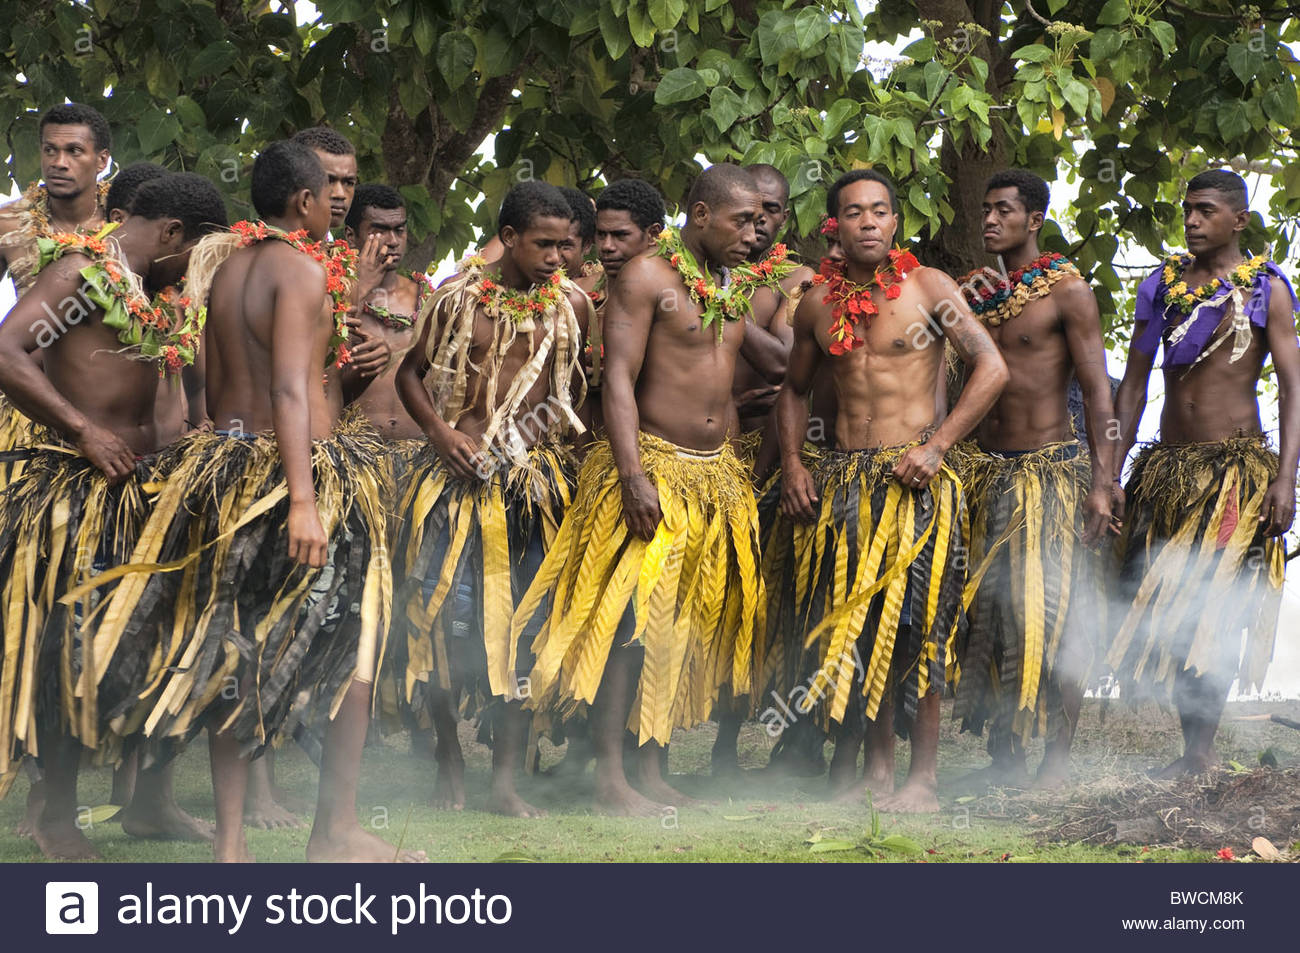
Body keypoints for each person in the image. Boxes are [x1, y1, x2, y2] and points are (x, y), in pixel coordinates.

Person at [79, 141, 422, 862]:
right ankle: (333, 833)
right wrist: (302, 498)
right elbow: (291, 390)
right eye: (328, 193)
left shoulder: (228, 266)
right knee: (355, 650)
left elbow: (283, 376)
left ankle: (230, 847)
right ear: (301, 202)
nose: (339, 203)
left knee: (234, 651)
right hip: (293, 478)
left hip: (229, 473)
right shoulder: (298, 270)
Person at [512, 164, 787, 815]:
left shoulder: (730, 285)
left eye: (760, 221)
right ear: (700, 215)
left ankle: (648, 769)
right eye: (743, 221)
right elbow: (617, 382)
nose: (756, 232)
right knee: (627, 622)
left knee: (670, 630)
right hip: (652, 471)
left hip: (712, 476)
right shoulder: (643, 278)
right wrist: (633, 475)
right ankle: (609, 778)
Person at [0, 172, 227, 858]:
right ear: (171, 234)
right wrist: (82, 430)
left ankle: (151, 803)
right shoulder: (81, 274)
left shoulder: (152, 292)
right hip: (72, 494)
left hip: (139, 495)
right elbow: (7, 352)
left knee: (174, 645)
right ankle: (55, 815)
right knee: (69, 653)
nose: (195, 271)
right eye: (196, 254)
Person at [773, 169, 1008, 812]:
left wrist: (937, 447)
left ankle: (922, 778)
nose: (869, 221)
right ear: (835, 226)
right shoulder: (817, 302)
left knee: (922, 627)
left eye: (880, 210)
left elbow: (992, 368)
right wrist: (793, 463)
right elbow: (793, 390)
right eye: (854, 212)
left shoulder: (930, 287)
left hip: (917, 483)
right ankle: (877, 770)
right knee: (864, 626)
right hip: (848, 481)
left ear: (896, 223)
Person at [394, 181, 590, 816]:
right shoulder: (455, 301)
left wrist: (537, 451)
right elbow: (408, 375)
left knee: (526, 628)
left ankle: (505, 778)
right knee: (444, 625)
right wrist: (442, 432)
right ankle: (448, 760)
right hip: (451, 488)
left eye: (566, 245)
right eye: (544, 244)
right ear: (508, 239)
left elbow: (569, 396)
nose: (559, 257)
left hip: (529, 491)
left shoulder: (573, 309)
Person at [1110, 168, 1299, 776]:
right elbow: (1134, 385)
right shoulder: (1161, 286)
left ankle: (1200, 753)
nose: (1190, 220)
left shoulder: (1268, 290)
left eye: (1205, 210)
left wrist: (1286, 478)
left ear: (1239, 219)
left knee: (1214, 610)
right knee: (1161, 608)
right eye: (1186, 209)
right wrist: (1110, 476)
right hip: (1166, 471)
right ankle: (1188, 747)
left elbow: (1294, 390)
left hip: (1233, 477)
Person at [950, 169, 1117, 788]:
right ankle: (1004, 758)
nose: (990, 220)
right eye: (986, 210)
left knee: (1057, 613)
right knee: (992, 614)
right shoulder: (970, 293)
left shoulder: (1068, 291)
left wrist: (1104, 481)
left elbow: (1100, 393)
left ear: (1034, 220)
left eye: (1004, 211)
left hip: (1050, 475)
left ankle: (1057, 760)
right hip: (983, 475)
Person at [0, 103, 112, 490]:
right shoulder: (9, 222)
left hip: (111, 406)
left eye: (74, 151)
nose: (59, 162)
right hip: (28, 406)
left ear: (102, 160)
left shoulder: (128, 223)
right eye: (50, 150)